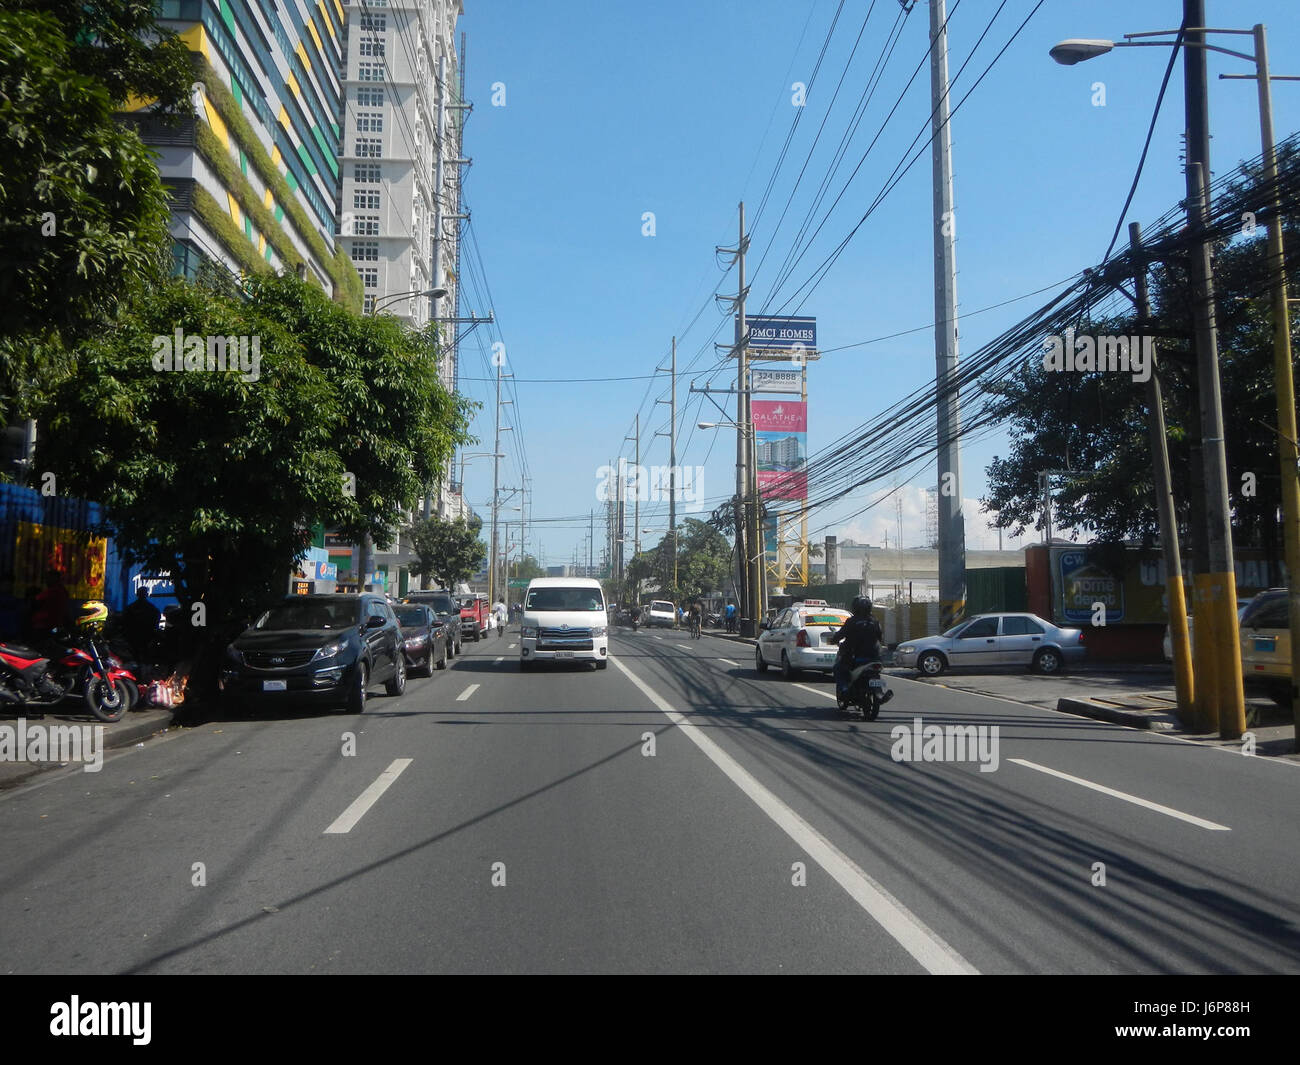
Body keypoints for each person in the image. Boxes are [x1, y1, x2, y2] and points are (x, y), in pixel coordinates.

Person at [829, 596, 891, 704]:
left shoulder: (852, 621)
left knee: (838, 668)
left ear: (855, 607)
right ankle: (879, 693)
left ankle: (844, 689)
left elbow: (840, 635)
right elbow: (881, 637)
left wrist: (833, 640)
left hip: (854, 656)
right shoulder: (874, 621)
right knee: (876, 674)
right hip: (875, 657)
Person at [122, 587, 162, 661]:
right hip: (144, 636)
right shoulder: (151, 608)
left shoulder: (131, 608)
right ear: (146, 594)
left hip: (136, 637)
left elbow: (125, 622)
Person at [30, 569, 73, 637]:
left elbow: (36, 601)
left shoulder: (52, 591)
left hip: (45, 625)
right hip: (54, 624)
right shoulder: (62, 591)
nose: (46, 581)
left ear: (54, 578)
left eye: (48, 578)